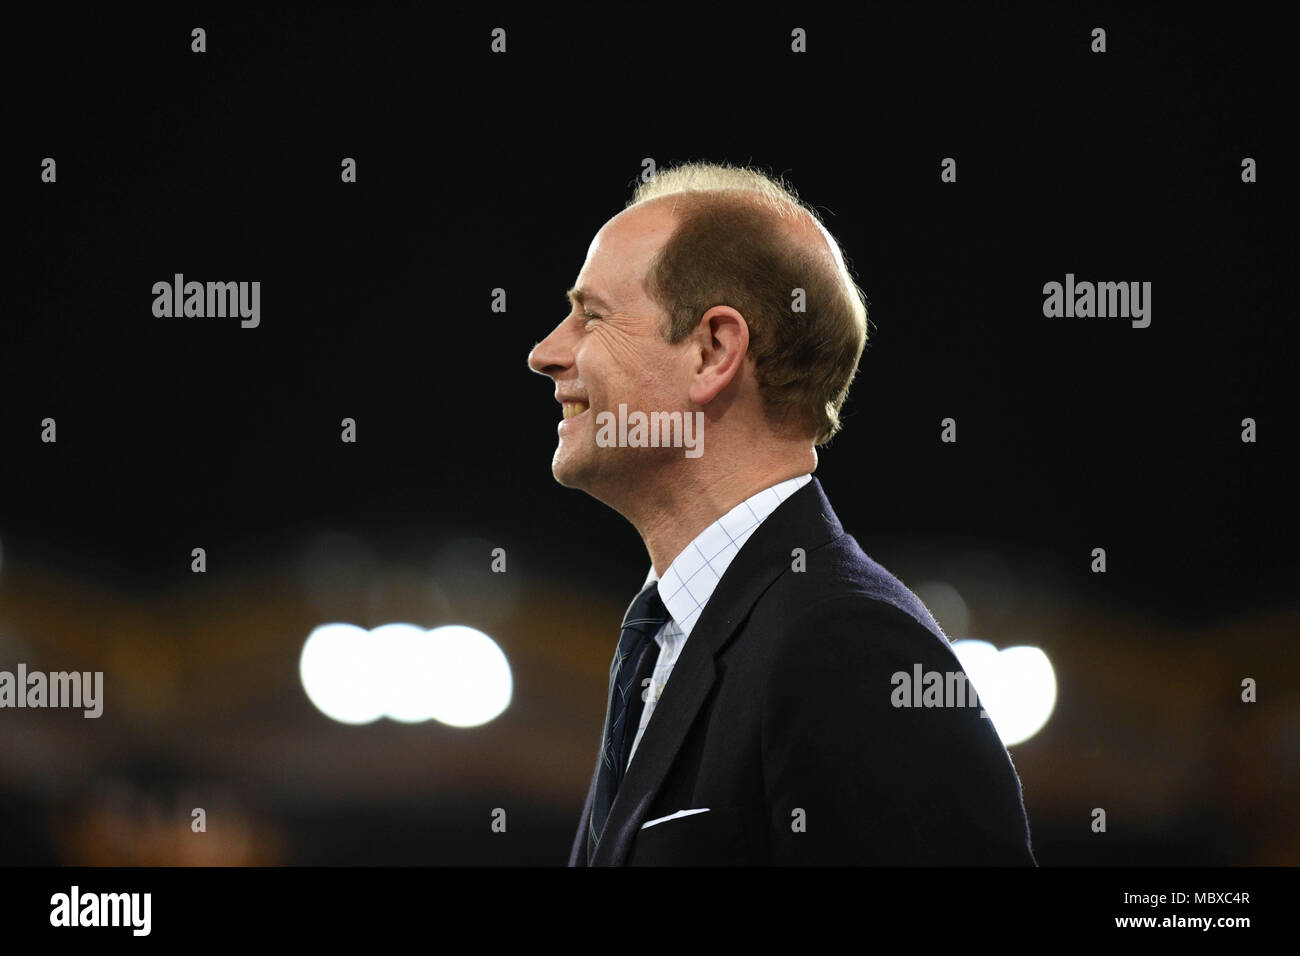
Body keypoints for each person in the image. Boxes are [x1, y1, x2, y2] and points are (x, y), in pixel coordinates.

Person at [527, 161, 1036, 866]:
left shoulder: (848, 646)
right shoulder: (674, 636)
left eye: (592, 315)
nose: (546, 353)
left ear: (713, 351)